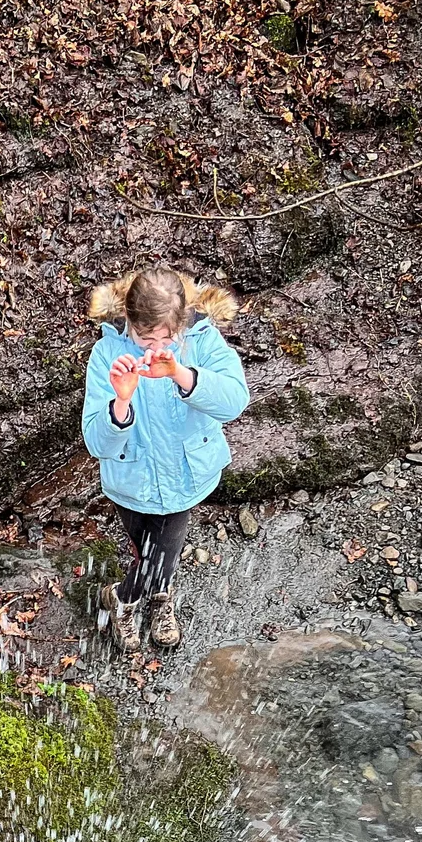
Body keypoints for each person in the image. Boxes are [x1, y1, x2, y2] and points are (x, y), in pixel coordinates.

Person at [81, 266, 249, 656]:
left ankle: (123, 598)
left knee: (164, 551)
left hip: (184, 477)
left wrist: (180, 373)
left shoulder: (202, 342)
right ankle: (158, 593)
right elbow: (95, 441)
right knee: (145, 549)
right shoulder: (107, 352)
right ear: (129, 322)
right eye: (144, 337)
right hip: (130, 479)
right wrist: (120, 402)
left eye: (166, 337)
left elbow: (234, 401)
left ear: (182, 324)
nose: (154, 347)